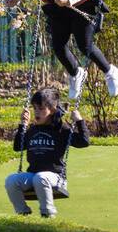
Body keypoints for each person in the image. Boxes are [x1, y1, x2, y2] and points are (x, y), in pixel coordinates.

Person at [6, 88, 90, 219]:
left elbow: (84, 142)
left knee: (41, 177)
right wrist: (23, 125)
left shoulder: (61, 129)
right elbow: (18, 147)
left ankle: (48, 214)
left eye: (41, 108)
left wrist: (79, 121)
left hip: (56, 177)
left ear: (53, 110)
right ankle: (22, 213)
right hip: (33, 175)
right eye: (35, 108)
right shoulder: (33, 130)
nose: (36, 112)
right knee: (11, 180)